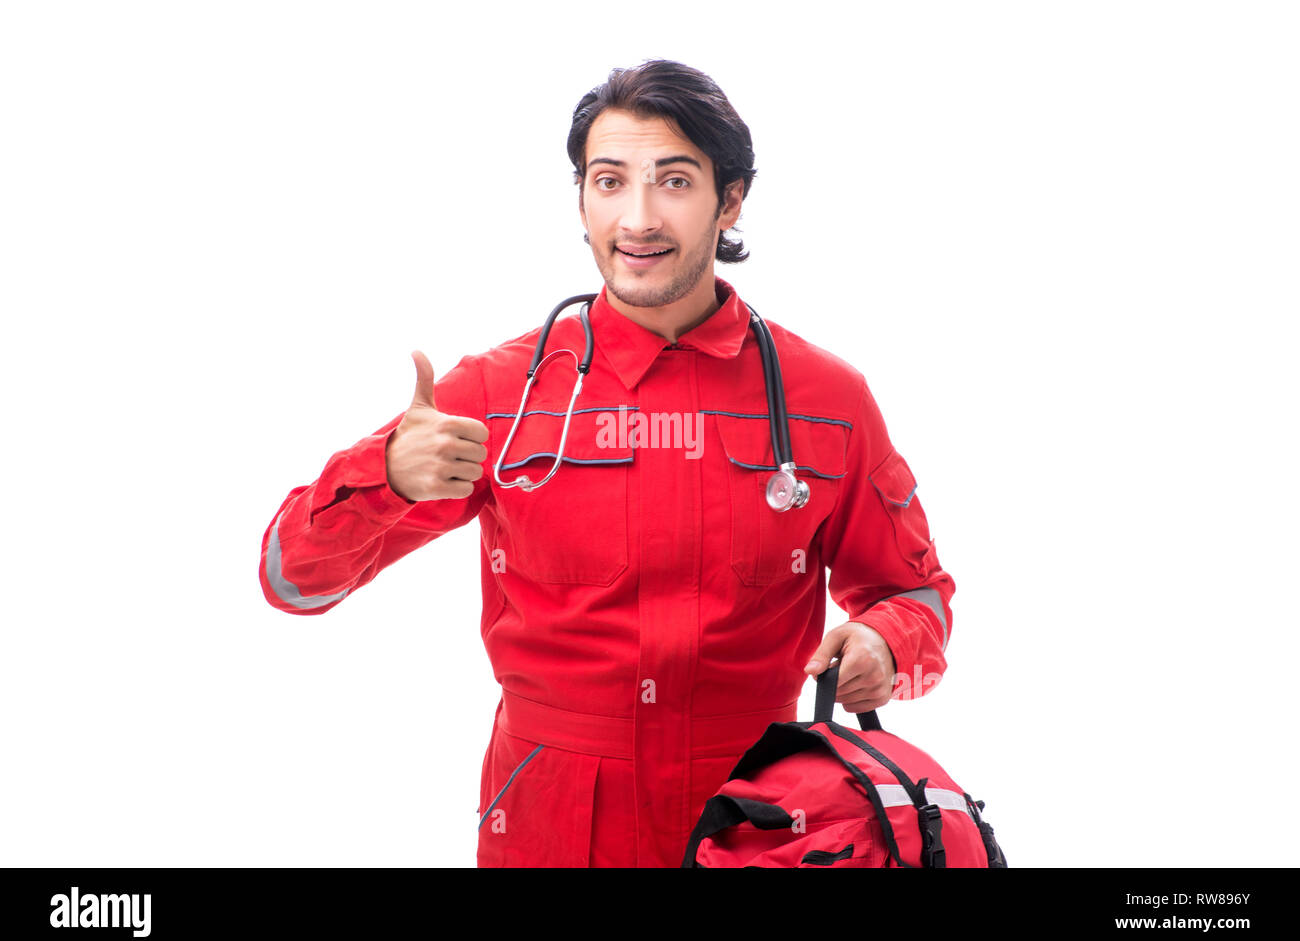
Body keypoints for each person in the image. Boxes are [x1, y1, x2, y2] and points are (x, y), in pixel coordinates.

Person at [259, 58, 955, 868]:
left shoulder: (825, 398)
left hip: (760, 814)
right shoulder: (500, 392)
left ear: (730, 199)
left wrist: (886, 644)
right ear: (581, 197)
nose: (639, 218)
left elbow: (916, 591)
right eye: (610, 180)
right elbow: (290, 579)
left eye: (675, 181)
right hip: (553, 820)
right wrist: (386, 474)